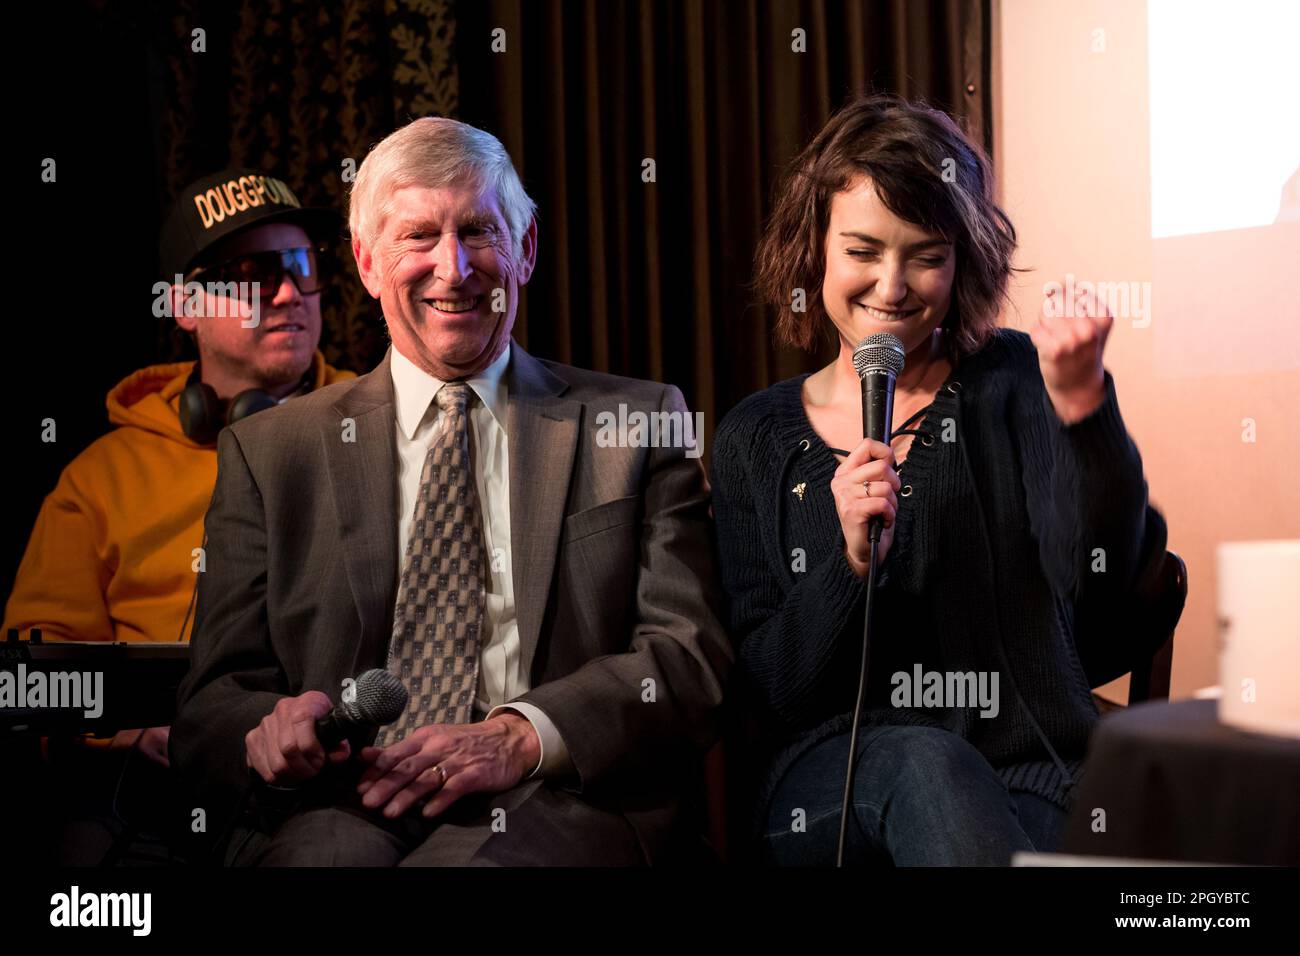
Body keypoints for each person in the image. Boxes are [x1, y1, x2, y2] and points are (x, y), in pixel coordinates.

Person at [170, 118, 731, 866]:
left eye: (476, 230)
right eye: (417, 238)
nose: (454, 268)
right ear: (368, 263)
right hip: (342, 799)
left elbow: (688, 658)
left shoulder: (636, 422)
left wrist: (522, 734)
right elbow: (208, 708)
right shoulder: (271, 452)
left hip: (557, 797)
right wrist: (268, 728)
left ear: (525, 251)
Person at [709, 93, 1168, 865]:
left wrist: (1086, 409)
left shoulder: (1016, 379)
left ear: (962, 262)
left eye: (925, 255)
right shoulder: (756, 437)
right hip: (832, 782)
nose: (892, 286)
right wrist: (848, 566)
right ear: (813, 247)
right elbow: (766, 687)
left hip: (1030, 769)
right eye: (862, 251)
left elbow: (1110, 572)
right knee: (927, 762)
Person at [3, 168, 356, 863]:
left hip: (330, 775)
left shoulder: (379, 428)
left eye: (301, 268)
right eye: (253, 274)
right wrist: (131, 736)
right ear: (184, 305)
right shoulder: (100, 478)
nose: (287, 294)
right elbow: (29, 682)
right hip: (149, 788)